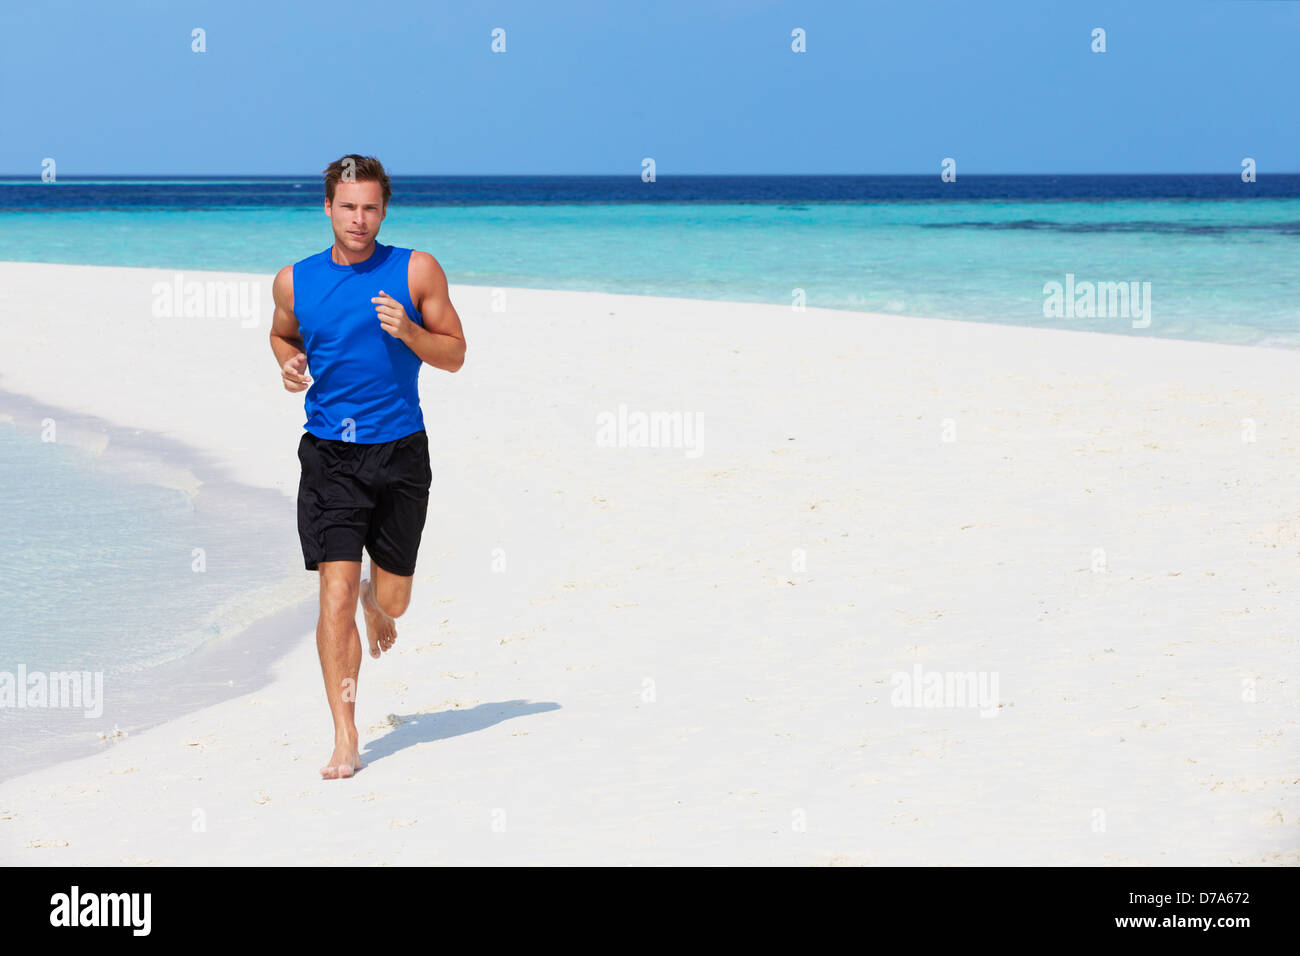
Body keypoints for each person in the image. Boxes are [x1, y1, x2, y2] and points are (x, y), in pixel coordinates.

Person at [268, 154, 466, 779]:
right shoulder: (294, 280)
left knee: (394, 601)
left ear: (384, 210)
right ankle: (346, 734)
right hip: (329, 455)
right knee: (331, 597)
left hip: (401, 451)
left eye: (370, 207)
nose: (359, 219)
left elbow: (456, 354)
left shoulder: (416, 269)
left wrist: (409, 331)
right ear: (327, 207)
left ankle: (372, 598)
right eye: (347, 207)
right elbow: (283, 334)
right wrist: (289, 364)